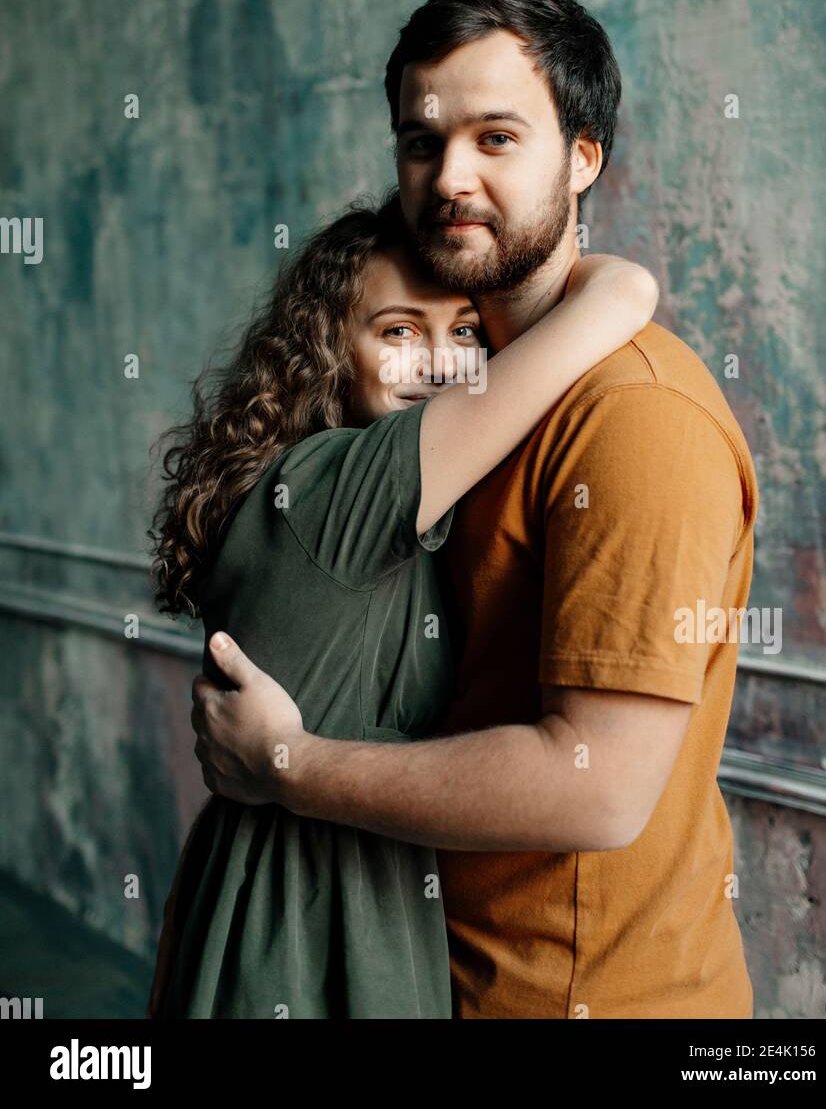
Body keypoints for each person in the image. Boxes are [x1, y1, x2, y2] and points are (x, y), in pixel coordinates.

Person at [188, 0, 760, 1020]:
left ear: (582, 158)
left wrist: (291, 764)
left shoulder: (636, 418)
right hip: (424, 971)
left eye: (496, 137)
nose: (450, 176)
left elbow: (598, 787)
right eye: (422, 141)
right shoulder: (446, 406)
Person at [147, 191, 658, 1019]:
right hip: (303, 911)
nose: (441, 363)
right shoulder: (333, 486)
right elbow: (625, 294)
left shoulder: (373, 499)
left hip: (349, 884)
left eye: (464, 332)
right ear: (327, 352)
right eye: (398, 332)